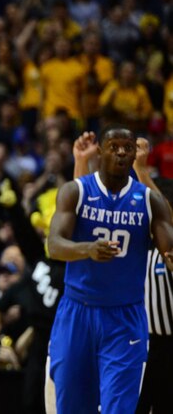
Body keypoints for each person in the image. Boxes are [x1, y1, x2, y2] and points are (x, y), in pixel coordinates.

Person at [47, 126, 173, 413]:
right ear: (101, 151)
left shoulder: (150, 200)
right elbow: (54, 245)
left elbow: (169, 248)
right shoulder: (75, 191)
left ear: (135, 154)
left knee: (120, 407)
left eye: (127, 147)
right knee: (73, 406)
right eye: (114, 146)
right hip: (77, 312)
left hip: (124, 318)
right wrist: (87, 249)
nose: (121, 152)